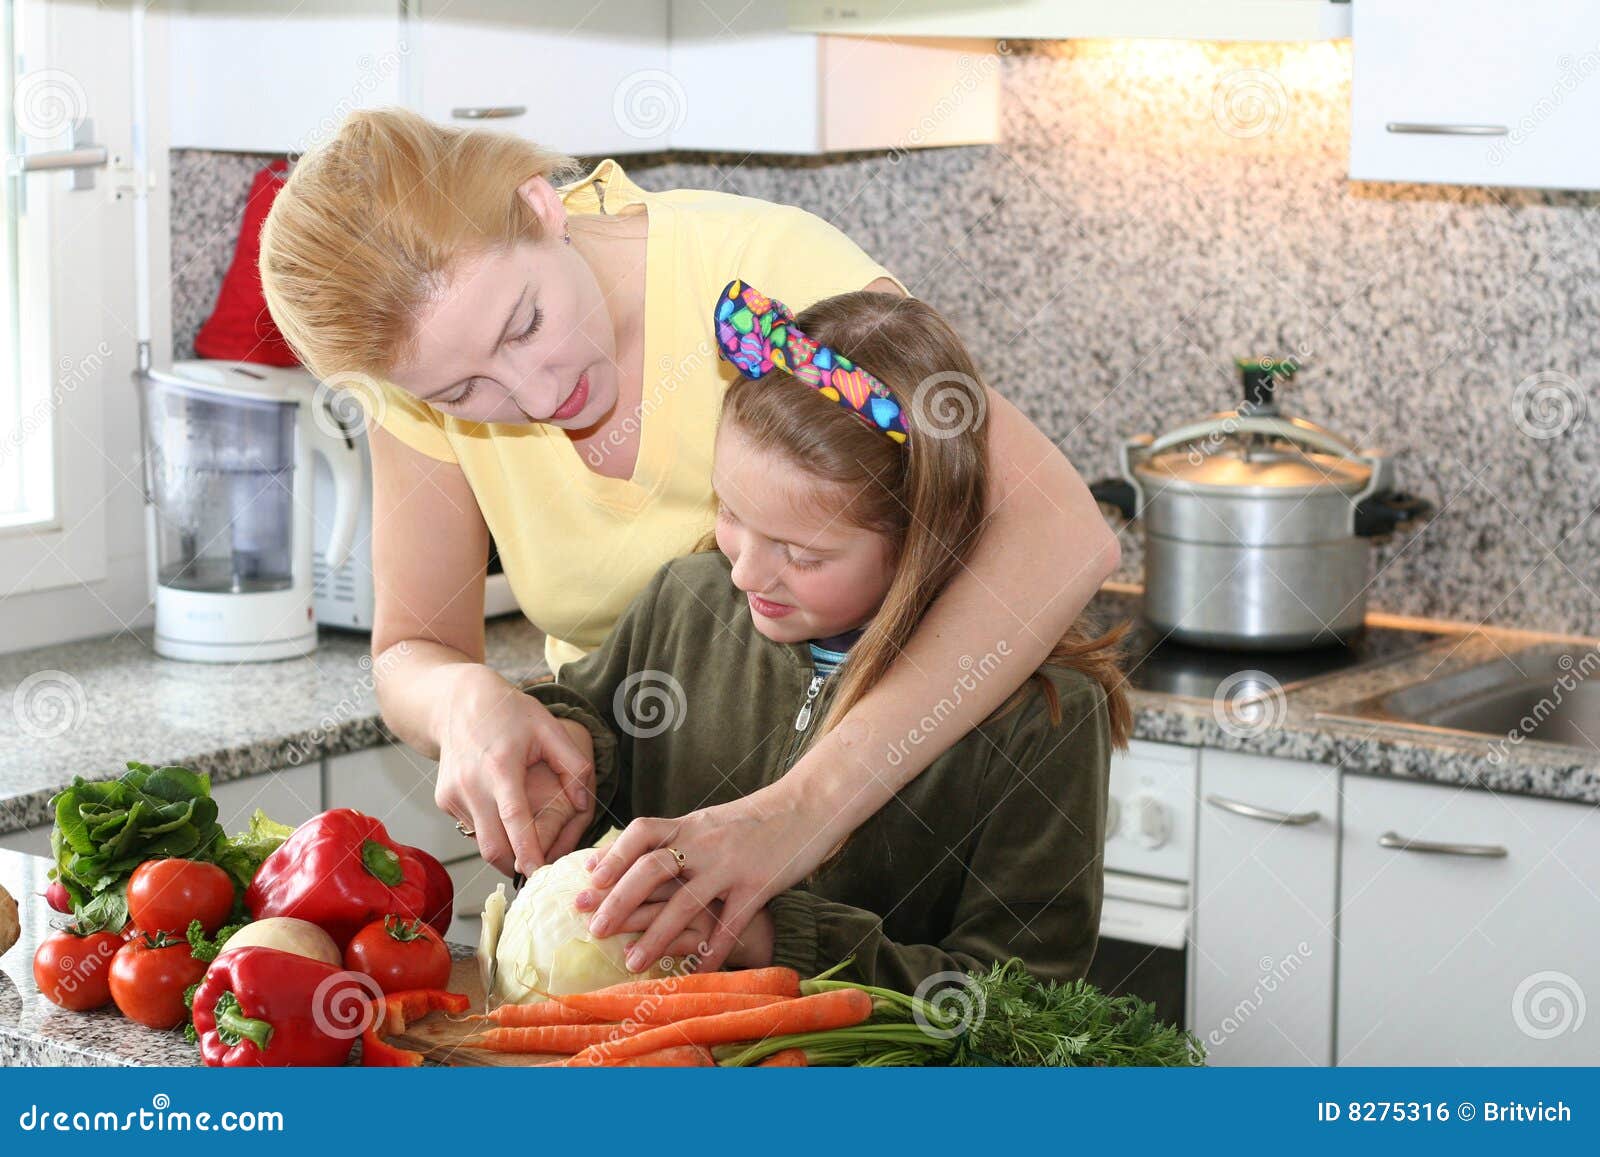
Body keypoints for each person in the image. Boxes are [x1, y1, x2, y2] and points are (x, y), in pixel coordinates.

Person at [259, 108, 1121, 969]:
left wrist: (797, 811)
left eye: (523, 323)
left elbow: (1056, 528)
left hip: (866, 817)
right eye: (461, 388)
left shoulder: (761, 269)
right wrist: (469, 704)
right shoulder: (418, 377)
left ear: (541, 207)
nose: (532, 391)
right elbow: (413, 648)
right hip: (642, 900)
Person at [529, 280, 1129, 988]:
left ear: (924, 540)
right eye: (730, 511)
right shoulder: (687, 604)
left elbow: (1030, 1003)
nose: (746, 571)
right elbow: (591, 739)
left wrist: (777, 939)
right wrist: (548, 745)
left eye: (802, 554)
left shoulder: (1042, 717)